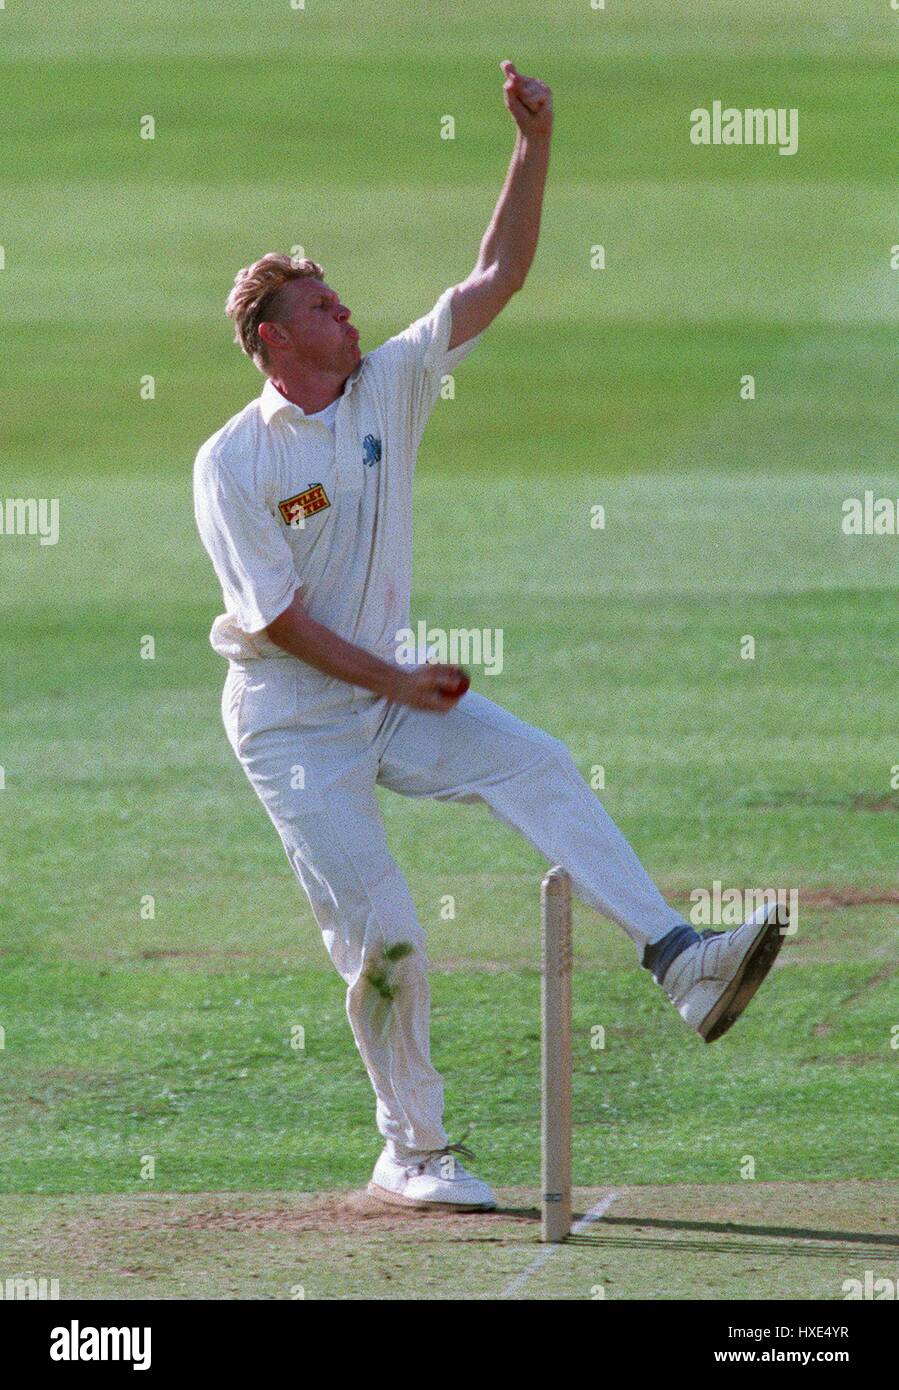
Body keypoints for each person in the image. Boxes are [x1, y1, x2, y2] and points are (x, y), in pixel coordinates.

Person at [193, 62, 787, 1212]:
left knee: (533, 760)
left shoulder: (387, 385)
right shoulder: (234, 461)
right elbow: (277, 622)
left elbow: (498, 274)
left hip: (385, 691)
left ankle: (678, 958)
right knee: (389, 941)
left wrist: (533, 141)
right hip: (292, 723)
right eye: (319, 307)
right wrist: (398, 680)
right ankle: (411, 1149)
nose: (346, 312)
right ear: (271, 341)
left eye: (341, 297)